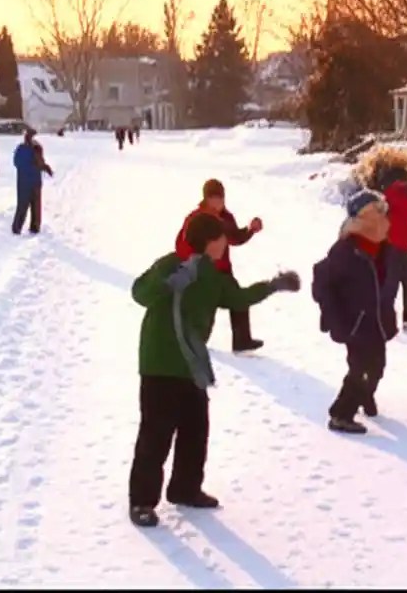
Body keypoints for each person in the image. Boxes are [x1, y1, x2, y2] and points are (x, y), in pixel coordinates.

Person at [127, 213, 301, 527]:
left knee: (196, 429)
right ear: (210, 241)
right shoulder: (170, 264)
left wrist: (274, 285)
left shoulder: (214, 274)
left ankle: (185, 488)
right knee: (156, 433)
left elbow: (237, 298)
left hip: (191, 364)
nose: (225, 243)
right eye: (222, 238)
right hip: (160, 362)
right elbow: (139, 293)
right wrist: (166, 283)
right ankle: (141, 501)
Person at [311, 190, 404, 434]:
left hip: (378, 321)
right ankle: (341, 414)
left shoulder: (385, 249)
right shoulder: (346, 250)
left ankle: (365, 394)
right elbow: (321, 282)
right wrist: (333, 318)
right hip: (355, 323)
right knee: (360, 367)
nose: (384, 217)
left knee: (377, 367)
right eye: (377, 212)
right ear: (363, 219)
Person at [175, 179, 265, 352]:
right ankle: (194, 341)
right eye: (213, 199)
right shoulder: (195, 218)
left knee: (239, 299)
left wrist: (250, 230)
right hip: (201, 274)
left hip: (223, 272)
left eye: (220, 199)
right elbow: (182, 245)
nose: (217, 203)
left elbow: (236, 238)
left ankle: (242, 341)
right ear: (206, 199)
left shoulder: (226, 217)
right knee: (204, 312)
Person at [381, 166, 407, 329]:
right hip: (404, 246)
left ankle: (382, 318)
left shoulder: (385, 194)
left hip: (388, 244)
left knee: (388, 284)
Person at [12, 130, 54, 235]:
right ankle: (28, 227)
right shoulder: (32, 148)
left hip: (25, 181)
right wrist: (44, 167)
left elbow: (17, 162)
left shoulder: (24, 149)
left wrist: (44, 167)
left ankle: (22, 227)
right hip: (31, 181)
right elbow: (39, 163)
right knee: (29, 205)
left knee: (27, 205)